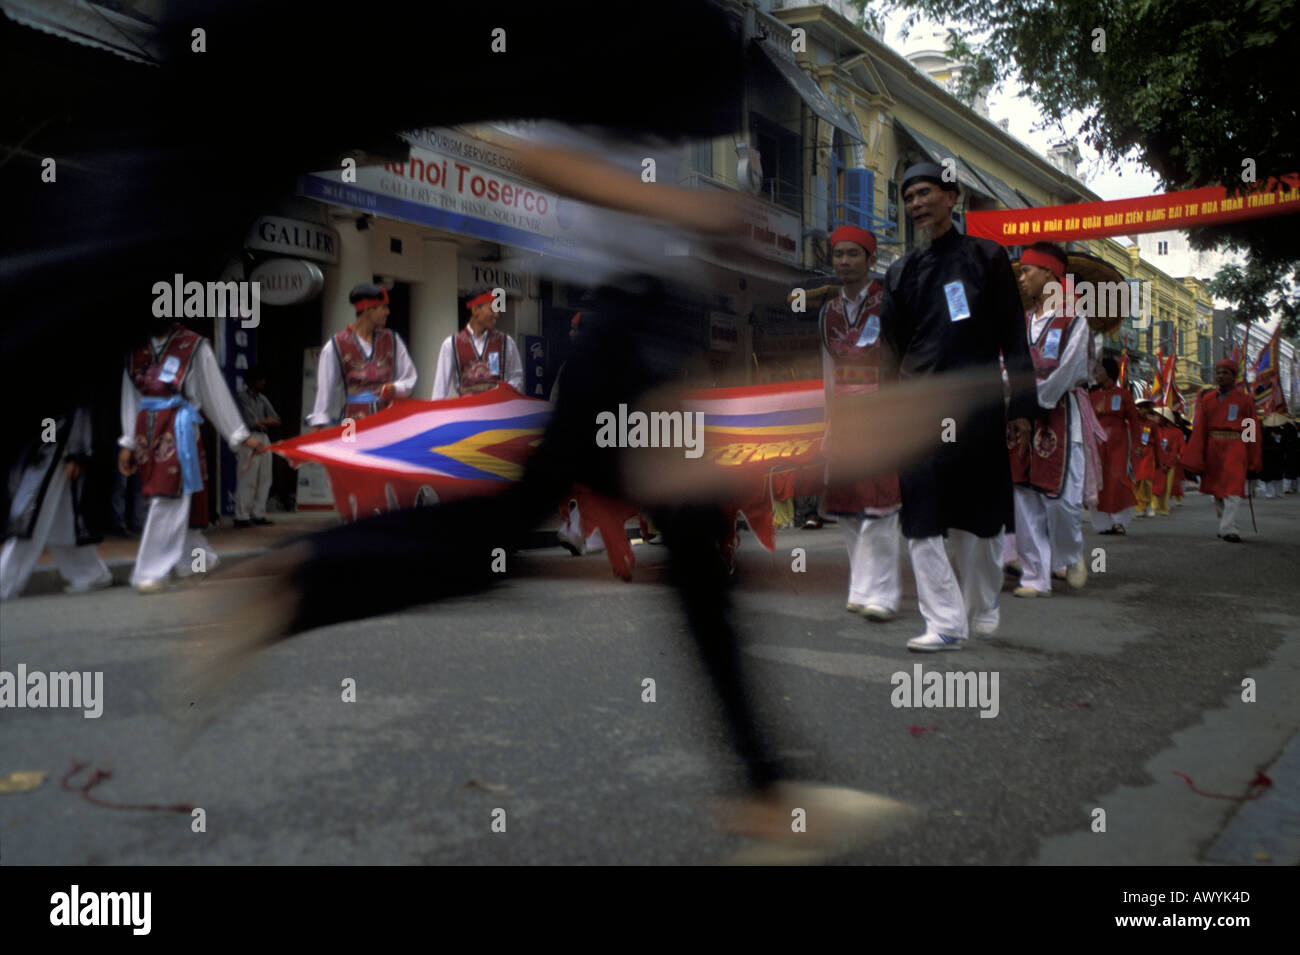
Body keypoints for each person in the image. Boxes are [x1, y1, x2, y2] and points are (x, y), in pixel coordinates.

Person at [879, 161, 1039, 651]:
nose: (917, 204)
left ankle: (982, 603)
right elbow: (891, 352)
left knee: (982, 521)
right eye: (908, 198)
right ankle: (944, 622)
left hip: (978, 408)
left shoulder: (987, 258)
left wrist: (1021, 409)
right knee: (922, 517)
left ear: (952, 198)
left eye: (925, 193)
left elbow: (1014, 339)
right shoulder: (900, 272)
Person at [119, 320, 266, 592]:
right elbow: (130, 397)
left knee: (168, 497)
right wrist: (128, 441)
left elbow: (214, 392)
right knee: (169, 501)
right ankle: (199, 562)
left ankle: (150, 572)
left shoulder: (193, 345)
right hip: (145, 432)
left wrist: (239, 434)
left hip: (179, 428)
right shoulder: (136, 349)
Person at [819, 224, 900, 621]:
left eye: (853, 254)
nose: (845, 262)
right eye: (839, 255)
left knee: (880, 506)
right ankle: (861, 585)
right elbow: (828, 374)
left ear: (870, 259)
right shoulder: (827, 312)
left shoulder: (890, 304)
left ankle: (883, 593)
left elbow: (904, 359)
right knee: (849, 508)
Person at [1007, 242, 1091, 596]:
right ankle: (1035, 577)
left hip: (1058, 414)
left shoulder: (1074, 319)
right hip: (1019, 418)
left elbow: (1070, 369)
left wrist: (1033, 403)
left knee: (1064, 500)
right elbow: (1005, 366)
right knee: (1024, 495)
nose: (1022, 277)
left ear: (1049, 274)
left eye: (1027, 270)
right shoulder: (1020, 322)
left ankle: (1071, 553)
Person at [1, 407, 112, 600]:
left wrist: (74, 451)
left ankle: (4, 582)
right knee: (60, 515)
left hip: (50, 443)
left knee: (28, 512)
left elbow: (57, 407)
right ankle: (89, 573)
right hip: (38, 442)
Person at [307, 283, 417, 427]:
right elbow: (325, 393)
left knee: (385, 449)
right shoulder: (336, 345)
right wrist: (317, 430)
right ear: (368, 310)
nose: (387, 312)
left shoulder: (392, 339)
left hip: (388, 419)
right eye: (383, 307)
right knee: (348, 448)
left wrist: (395, 388)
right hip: (351, 421)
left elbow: (410, 377)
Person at [1180, 359, 1263, 542]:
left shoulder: (1245, 400)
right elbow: (1200, 428)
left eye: (1225, 373)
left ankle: (1229, 527)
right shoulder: (1208, 400)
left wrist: (1252, 454)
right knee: (1217, 489)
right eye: (1218, 372)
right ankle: (1227, 523)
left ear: (1234, 377)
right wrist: (1197, 454)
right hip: (1213, 447)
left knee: (1233, 487)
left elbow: (1250, 429)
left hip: (1236, 446)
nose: (1221, 376)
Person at [430, 287, 525, 400]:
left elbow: (517, 379)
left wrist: (501, 392)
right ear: (475, 310)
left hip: (497, 412)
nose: (496, 315)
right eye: (492, 309)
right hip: (467, 414)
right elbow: (440, 391)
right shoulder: (451, 345)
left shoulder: (505, 342)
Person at [1088, 356, 1140, 535]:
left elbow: (1134, 422)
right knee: (1099, 481)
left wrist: (1138, 444)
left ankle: (1120, 522)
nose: (1095, 374)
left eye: (1099, 371)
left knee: (1118, 479)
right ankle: (1102, 524)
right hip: (1097, 443)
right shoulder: (1091, 396)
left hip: (1119, 443)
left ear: (1109, 372)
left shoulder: (1124, 395)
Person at [235, 365, 280, 527]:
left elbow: (276, 419)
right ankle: (241, 516)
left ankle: (258, 513)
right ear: (253, 381)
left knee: (265, 477)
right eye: (260, 379)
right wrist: (262, 422)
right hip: (249, 437)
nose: (263, 382)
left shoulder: (263, 399)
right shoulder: (242, 398)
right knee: (248, 477)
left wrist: (262, 422)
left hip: (264, 437)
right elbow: (250, 422)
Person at [1151, 406, 1182, 516]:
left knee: (1167, 486)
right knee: (1154, 484)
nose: (1154, 418)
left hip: (1169, 462)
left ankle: (1164, 507)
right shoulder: (1151, 429)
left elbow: (1175, 449)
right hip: (1155, 461)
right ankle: (1153, 505)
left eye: (1157, 416)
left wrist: (1168, 463)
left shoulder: (1176, 432)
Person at [1132, 399, 1159, 517]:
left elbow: (1157, 441)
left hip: (1148, 454)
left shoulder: (1152, 424)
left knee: (1146, 480)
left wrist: (1159, 458)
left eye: (1146, 408)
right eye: (1142, 408)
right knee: (1135, 481)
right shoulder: (1132, 423)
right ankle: (1138, 506)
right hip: (1134, 454)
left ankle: (1144, 504)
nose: (1144, 411)